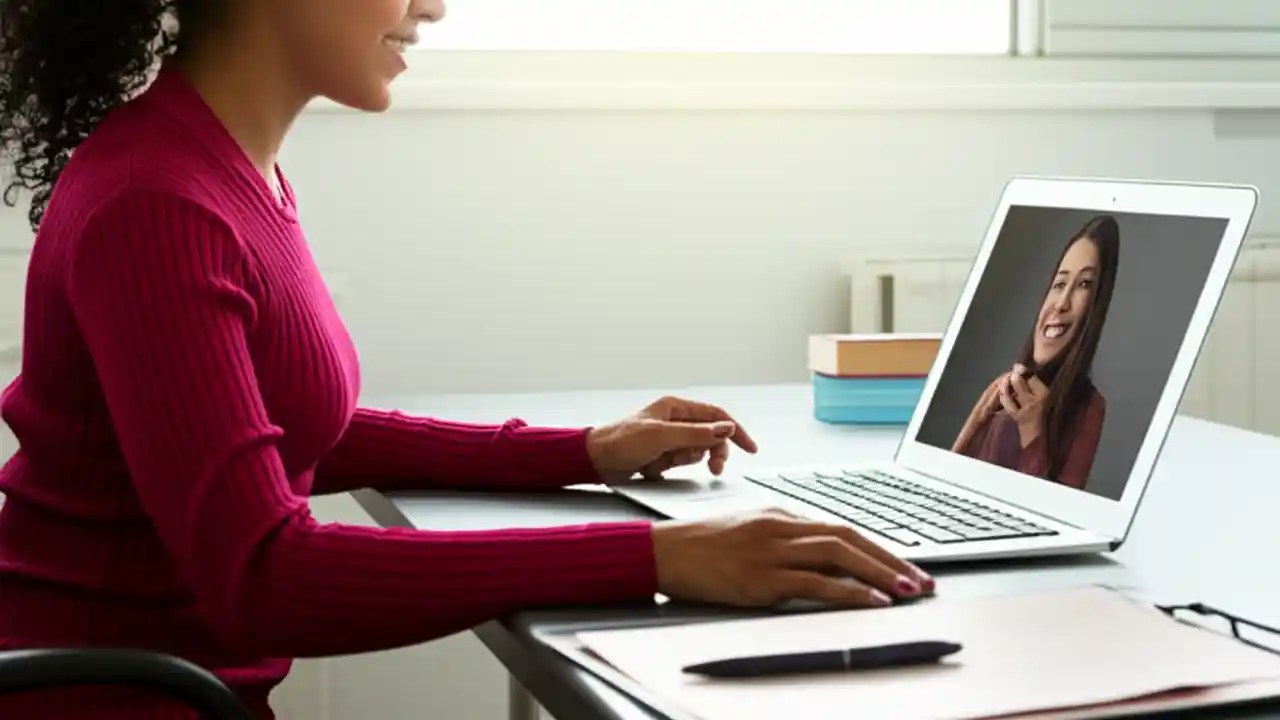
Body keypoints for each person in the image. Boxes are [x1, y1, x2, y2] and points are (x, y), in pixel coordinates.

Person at [0, 1, 936, 716]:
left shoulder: (224, 167)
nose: (435, 6)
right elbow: (260, 575)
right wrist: (659, 555)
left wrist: (579, 453)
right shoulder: (159, 204)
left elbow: (268, 423)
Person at [952, 215, 1120, 490]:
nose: (1061, 303)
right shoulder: (1005, 386)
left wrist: (1033, 430)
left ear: (1097, 305)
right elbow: (943, 475)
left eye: (1084, 284)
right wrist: (977, 419)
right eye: (1059, 284)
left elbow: (1056, 511)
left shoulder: (1090, 408)